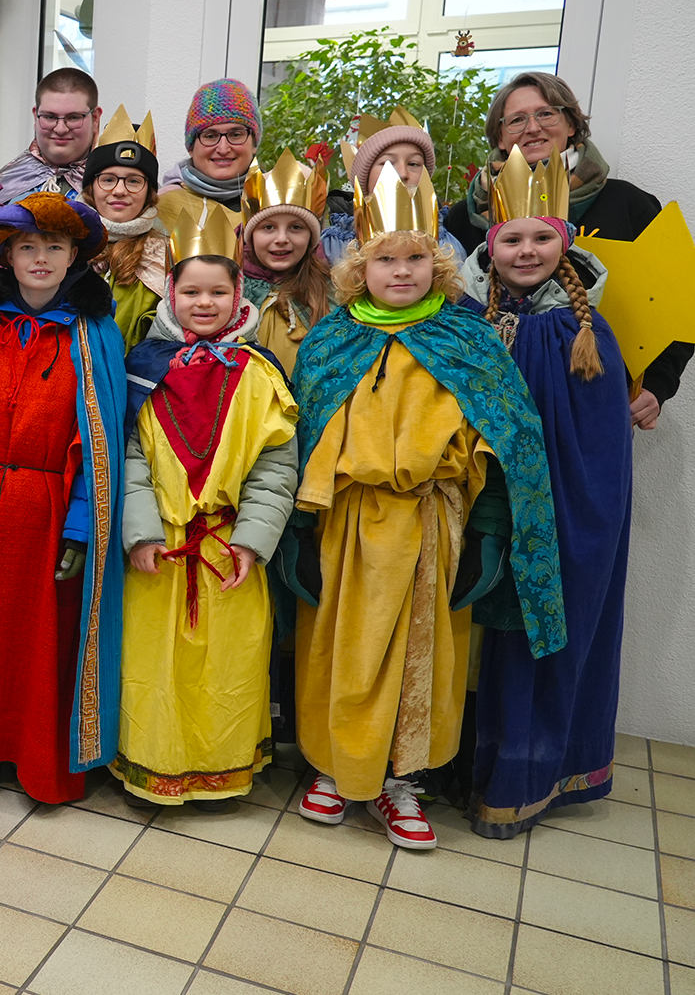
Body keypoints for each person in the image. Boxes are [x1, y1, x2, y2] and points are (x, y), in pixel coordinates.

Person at [286, 164, 566, 851]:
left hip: (432, 523)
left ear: (437, 265)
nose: (402, 271)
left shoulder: (466, 342)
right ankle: (333, 767)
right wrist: (295, 530)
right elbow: (297, 436)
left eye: (416, 257)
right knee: (336, 650)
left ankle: (399, 780)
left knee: (421, 656)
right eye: (386, 258)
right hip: (344, 522)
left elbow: (510, 443)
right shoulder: (330, 340)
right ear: (358, 269)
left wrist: (493, 533)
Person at [0, 194, 127, 801]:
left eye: (55, 248)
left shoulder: (96, 336)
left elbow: (99, 446)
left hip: (47, 509)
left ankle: (35, 757)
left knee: (42, 640)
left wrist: (83, 525)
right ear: (7, 255)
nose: (41, 259)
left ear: (75, 259)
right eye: (28, 246)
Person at [461, 149, 632, 838]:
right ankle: (460, 769)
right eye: (511, 238)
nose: (525, 250)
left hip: (560, 512)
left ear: (562, 244)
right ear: (488, 245)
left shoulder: (580, 329)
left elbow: (597, 447)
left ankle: (525, 777)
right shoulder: (468, 322)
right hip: (482, 506)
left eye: (540, 238)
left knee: (537, 638)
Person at [113, 212, 298, 806]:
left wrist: (251, 540)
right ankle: (154, 760)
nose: (204, 302)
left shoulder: (260, 375)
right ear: (172, 294)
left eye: (218, 292)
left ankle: (221, 767)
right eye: (191, 291)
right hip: (161, 550)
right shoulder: (145, 368)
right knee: (154, 663)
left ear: (238, 297)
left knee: (227, 666)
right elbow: (134, 460)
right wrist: (140, 534)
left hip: (227, 548)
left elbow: (275, 468)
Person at [442, 72, 686, 428]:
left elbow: (679, 299)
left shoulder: (627, 204)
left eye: (546, 113)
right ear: (499, 135)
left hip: (591, 405)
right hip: (482, 413)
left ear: (571, 123)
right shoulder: (465, 218)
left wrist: (658, 386)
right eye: (516, 120)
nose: (532, 128)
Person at [319, 108, 462, 265]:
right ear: (364, 178)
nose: (402, 174)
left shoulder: (447, 246)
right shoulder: (332, 246)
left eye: (413, 163)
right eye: (387, 164)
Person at [83, 107, 169, 348]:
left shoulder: (166, 258)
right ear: (92, 187)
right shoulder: (64, 245)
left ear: (149, 192)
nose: (119, 190)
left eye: (133, 181)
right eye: (108, 179)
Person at [241, 150, 333, 375]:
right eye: (268, 227)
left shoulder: (330, 291)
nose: (281, 239)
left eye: (296, 227)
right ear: (251, 235)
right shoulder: (232, 288)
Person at [157, 78, 260, 231]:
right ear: (191, 147)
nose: (223, 148)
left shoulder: (276, 201)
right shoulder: (163, 207)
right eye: (210, 136)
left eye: (236, 135)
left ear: (254, 143)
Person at [0, 66, 102, 202]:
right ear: (36, 116)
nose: (60, 129)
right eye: (50, 117)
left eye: (74, 117)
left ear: (95, 119)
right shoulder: (3, 185)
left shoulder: (117, 188)